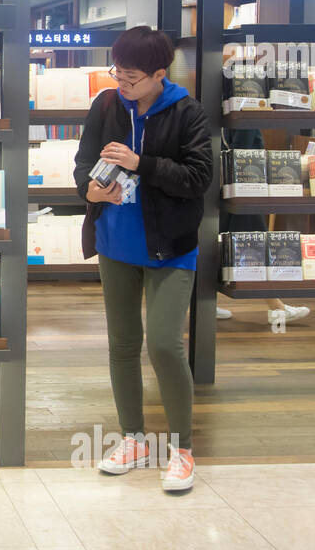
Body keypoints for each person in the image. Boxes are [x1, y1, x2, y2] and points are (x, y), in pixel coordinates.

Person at [74, 26, 212, 492]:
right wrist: (90, 190)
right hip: (115, 242)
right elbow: (83, 162)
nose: (121, 83)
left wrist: (141, 164)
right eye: (117, 72)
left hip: (171, 247)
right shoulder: (107, 105)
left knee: (165, 346)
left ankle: (183, 448)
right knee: (123, 344)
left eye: (131, 77)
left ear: (159, 74)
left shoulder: (187, 112)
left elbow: (197, 178)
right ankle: (133, 438)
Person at [216, 127, 311, 328]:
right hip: (246, 182)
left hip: (228, 182)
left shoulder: (217, 106)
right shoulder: (247, 109)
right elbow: (244, 146)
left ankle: (206, 303)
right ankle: (276, 308)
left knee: (221, 241)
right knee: (253, 245)